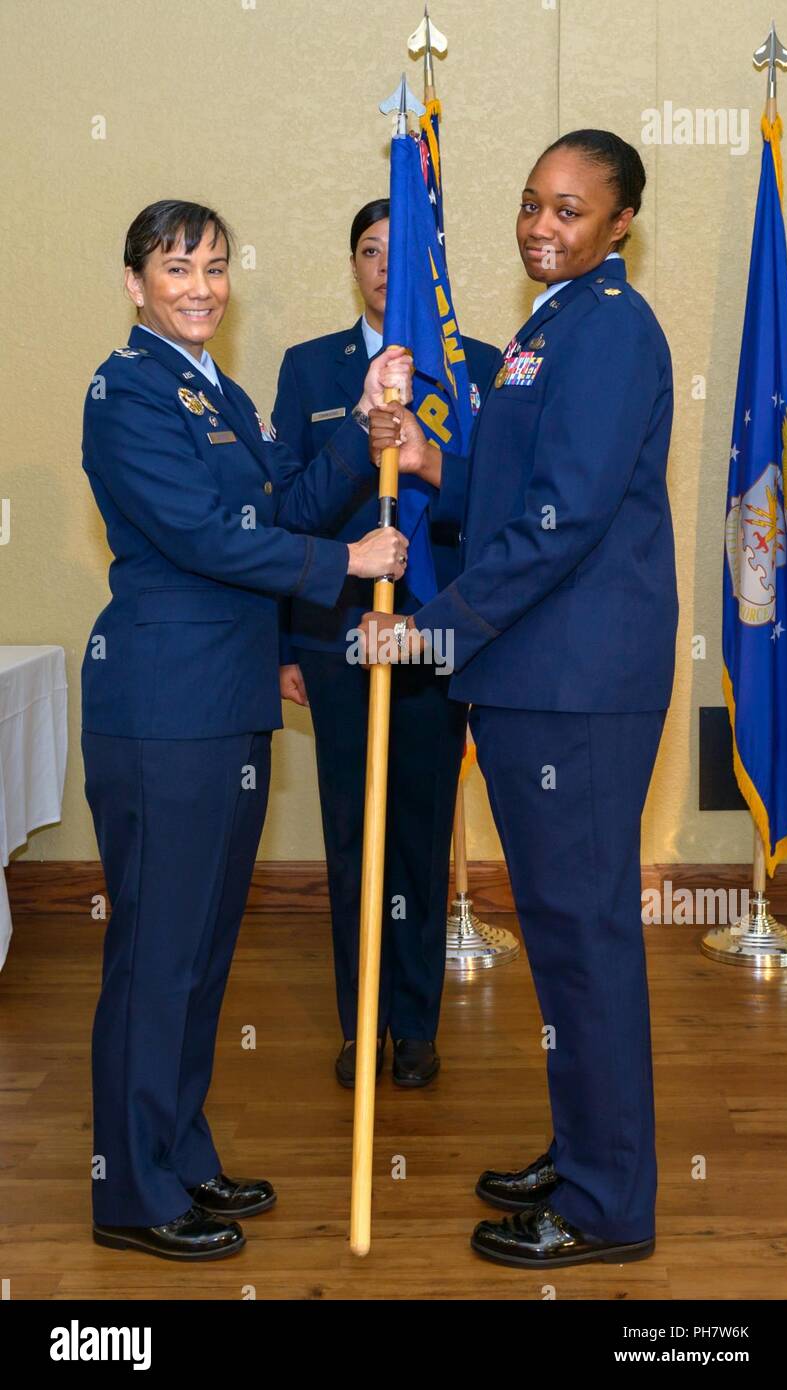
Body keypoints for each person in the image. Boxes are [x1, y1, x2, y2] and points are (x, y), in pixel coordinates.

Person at [362, 130, 678, 1269]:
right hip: (537, 674)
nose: (543, 226)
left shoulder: (608, 330)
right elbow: (512, 478)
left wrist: (429, 628)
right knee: (561, 933)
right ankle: (587, 1143)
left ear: (619, 225)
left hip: (576, 683)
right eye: (532, 204)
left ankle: (607, 1205)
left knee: (584, 940)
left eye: (571, 211)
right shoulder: (551, 325)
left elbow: (561, 521)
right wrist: (431, 456)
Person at [81, 199, 414, 1261]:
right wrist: (346, 569)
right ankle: (130, 1191)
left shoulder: (215, 388)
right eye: (178, 268)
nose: (201, 286)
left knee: (200, 953)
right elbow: (201, 533)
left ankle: (178, 1151)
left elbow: (282, 506)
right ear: (136, 282)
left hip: (225, 702)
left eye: (216, 266)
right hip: (164, 704)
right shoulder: (126, 389)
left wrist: (366, 439)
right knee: (155, 954)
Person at [272, 198, 500, 1088]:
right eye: (369, 252)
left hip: (435, 638)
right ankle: (360, 1023)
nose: (382, 269)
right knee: (350, 837)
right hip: (337, 642)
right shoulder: (307, 368)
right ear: (353, 265)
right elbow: (284, 512)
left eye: (399, 255)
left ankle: (413, 1023)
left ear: (425, 271)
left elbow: (493, 512)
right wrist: (282, 644)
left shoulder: (473, 369)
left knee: (419, 828)